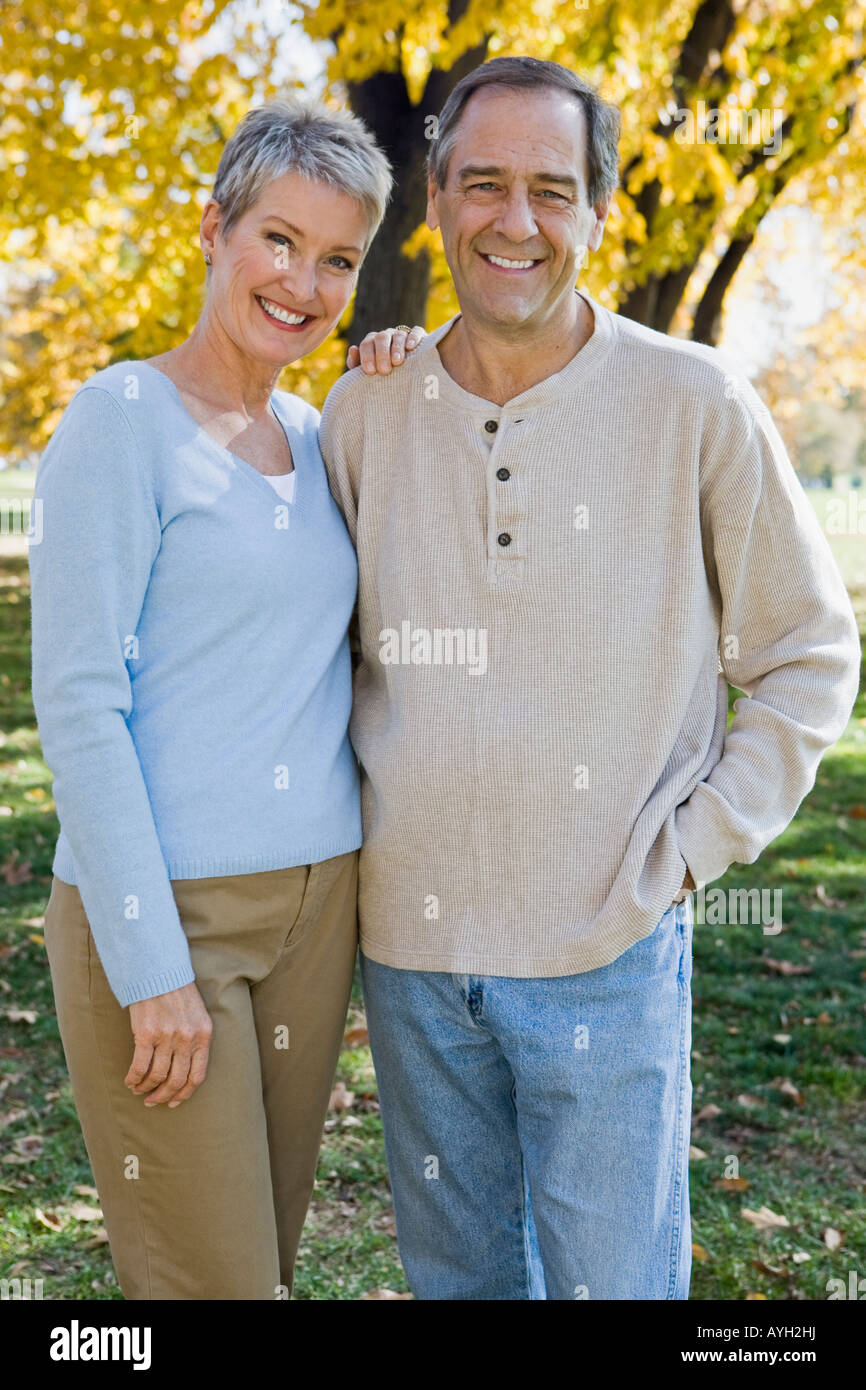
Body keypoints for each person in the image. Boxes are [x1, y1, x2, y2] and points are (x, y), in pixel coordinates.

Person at [319, 55, 862, 1300]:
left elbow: (807, 650)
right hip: (411, 949)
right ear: (437, 202)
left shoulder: (693, 402)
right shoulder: (366, 412)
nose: (516, 221)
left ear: (598, 212)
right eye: (484, 184)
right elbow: (321, 649)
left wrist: (690, 848)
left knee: (617, 1285)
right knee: (460, 1282)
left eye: (551, 190)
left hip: (606, 943)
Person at [29, 96, 422, 1300]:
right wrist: (151, 966)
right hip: (166, 915)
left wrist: (408, 376)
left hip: (317, 911)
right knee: (215, 1288)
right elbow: (80, 702)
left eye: (339, 259)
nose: (304, 283)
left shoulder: (321, 431)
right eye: (278, 240)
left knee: (262, 1261)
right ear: (213, 229)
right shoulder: (118, 422)